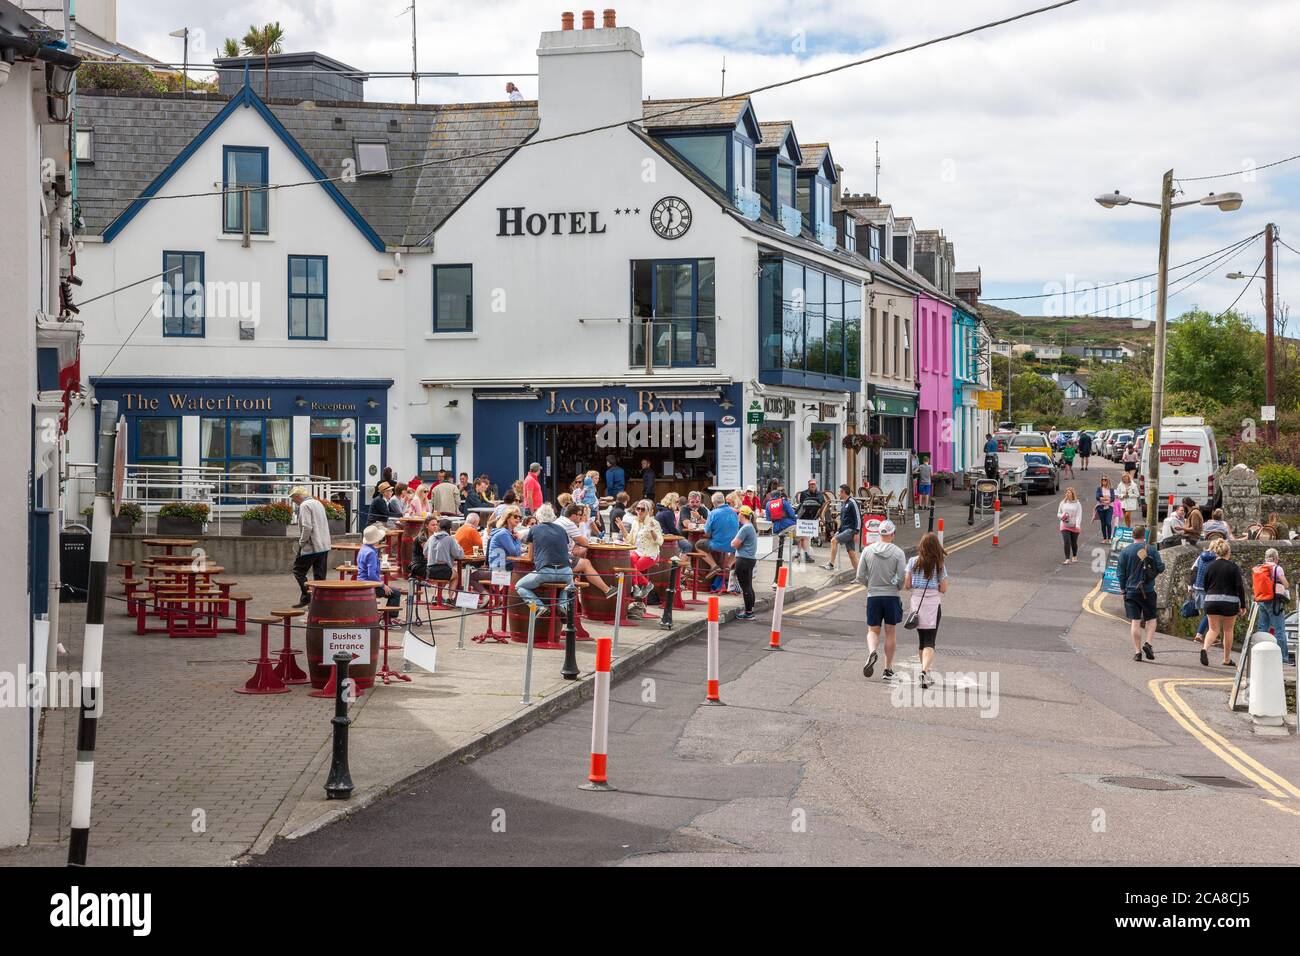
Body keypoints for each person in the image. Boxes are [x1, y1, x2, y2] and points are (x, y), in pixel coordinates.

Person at [856, 519, 906, 682]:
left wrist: (869, 585)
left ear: (879, 533)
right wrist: (896, 586)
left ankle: (872, 652)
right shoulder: (898, 552)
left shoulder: (867, 550)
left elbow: (859, 576)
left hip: (873, 595)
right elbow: (901, 577)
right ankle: (887, 669)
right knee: (890, 632)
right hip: (891, 596)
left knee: (872, 630)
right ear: (893, 534)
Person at [905, 532, 949, 690]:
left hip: (917, 602)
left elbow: (907, 585)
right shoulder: (939, 564)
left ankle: (925, 672)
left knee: (922, 640)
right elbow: (943, 588)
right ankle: (925, 672)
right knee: (931, 640)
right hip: (932, 603)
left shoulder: (912, 562)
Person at [515, 505, 575, 618]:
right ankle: (562, 605)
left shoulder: (534, 529)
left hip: (545, 572)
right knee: (568, 585)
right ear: (553, 516)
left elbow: (530, 557)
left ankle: (539, 607)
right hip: (566, 572)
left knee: (520, 586)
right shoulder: (561, 529)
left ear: (538, 518)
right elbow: (565, 550)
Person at [1116, 523, 1164, 662]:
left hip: (1131, 591)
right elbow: (1160, 568)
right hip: (1148, 590)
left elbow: (1120, 573)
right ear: (1144, 535)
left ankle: (1137, 652)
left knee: (1135, 622)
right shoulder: (1151, 549)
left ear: (1133, 535)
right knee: (1151, 619)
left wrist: (1123, 589)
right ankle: (1148, 644)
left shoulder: (1125, 552)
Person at [1200, 538, 1245, 667]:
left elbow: (1205, 585)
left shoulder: (1209, 566)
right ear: (1228, 552)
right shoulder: (1233, 567)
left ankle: (1204, 649)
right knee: (1228, 630)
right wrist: (1243, 605)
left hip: (1211, 600)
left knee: (1213, 629)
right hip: (1229, 602)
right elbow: (1239, 587)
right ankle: (1226, 659)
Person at [556, 503, 614, 599]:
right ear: (574, 515)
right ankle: (607, 590)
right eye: (580, 515)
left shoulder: (559, 520)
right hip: (560, 560)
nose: (580, 517)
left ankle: (566, 601)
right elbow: (585, 542)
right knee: (586, 563)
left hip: (554, 556)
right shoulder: (569, 524)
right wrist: (583, 523)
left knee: (579, 557)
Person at [290, 488, 331, 608]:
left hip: (312, 545)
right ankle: (319, 602)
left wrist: (301, 542)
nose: (293, 501)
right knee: (319, 575)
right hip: (324, 544)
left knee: (298, 570)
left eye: (293, 498)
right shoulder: (318, 503)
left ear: (298, 496)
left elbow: (307, 526)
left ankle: (307, 596)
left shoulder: (304, 505)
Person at [472, 506, 523, 596]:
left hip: (503, 570)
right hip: (501, 571)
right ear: (507, 517)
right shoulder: (504, 533)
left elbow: (516, 553)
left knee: (472, 576)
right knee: (470, 577)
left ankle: (491, 597)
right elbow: (515, 553)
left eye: (520, 517)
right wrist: (518, 540)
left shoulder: (508, 533)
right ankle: (488, 596)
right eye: (515, 516)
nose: (518, 519)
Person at [1254, 548, 1293, 665]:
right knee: (1279, 630)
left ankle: (1260, 657)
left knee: (1263, 629)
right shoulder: (1277, 568)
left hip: (1261, 601)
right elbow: (1285, 584)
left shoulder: (1260, 567)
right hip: (1275, 603)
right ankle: (1283, 658)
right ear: (1276, 558)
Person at [625, 499, 665, 603]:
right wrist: (622, 528)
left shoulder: (654, 523)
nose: (639, 511)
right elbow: (630, 540)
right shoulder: (635, 522)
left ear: (647, 511)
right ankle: (640, 586)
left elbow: (660, 542)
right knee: (630, 558)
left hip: (650, 552)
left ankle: (638, 587)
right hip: (637, 551)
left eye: (642, 509)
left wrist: (651, 531)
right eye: (637, 508)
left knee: (632, 568)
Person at [703, 491, 739, 592]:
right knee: (738, 549)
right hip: (733, 546)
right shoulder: (734, 512)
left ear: (714, 503)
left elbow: (707, 532)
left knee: (698, 545)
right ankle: (728, 565)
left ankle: (714, 566)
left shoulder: (713, 513)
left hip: (717, 545)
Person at [359, 524, 401, 610]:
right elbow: (371, 575)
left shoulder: (363, 548)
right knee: (396, 593)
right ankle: (389, 618)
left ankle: (387, 617)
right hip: (369, 585)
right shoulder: (371, 552)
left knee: (393, 591)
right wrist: (382, 585)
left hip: (362, 582)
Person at [731, 505, 760, 619]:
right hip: (749, 559)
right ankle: (750, 610)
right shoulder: (751, 527)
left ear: (742, 515)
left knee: (745, 587)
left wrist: (734, 542)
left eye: (738, 513)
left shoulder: (745, 528)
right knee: (749, 586)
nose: (737, 515)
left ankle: (748, 612)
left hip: (743, 559)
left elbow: (734, 544)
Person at [423, 517, 464, 594]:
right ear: (450, 529)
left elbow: (425, 552)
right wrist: (457, 544)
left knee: (446, 574)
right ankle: (450, 598)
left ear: (439, 527)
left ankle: (436, 597)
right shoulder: (450, 539)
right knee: (455, 576)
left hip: (430, 570)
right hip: (443, 570)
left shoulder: (431, 538)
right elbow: (459, 555)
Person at [825, 485, 861, 571]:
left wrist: (857, 532)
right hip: (845, 529)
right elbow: (843, 519)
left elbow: (858, 517)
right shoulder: (844, 503)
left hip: (851, 530)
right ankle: (860, 575)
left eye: (839, 492)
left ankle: (831, 564)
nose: (838, 494)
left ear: (843, 492)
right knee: (851, 554)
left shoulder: (852, 502)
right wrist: (839, 530)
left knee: (834, 541)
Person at [795, 478, 827, 562]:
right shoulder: (804, 493)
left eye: (814, 484)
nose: (812, 486)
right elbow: (803, 505)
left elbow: (822, 504)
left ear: (816, 485)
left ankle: (802, 553)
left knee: (804, 536)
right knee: (802, 536)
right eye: (811, 485)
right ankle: (801, 553)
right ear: (808, 486)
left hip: (813, 517)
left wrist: (821, 517)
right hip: (803, 517)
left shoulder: (820, 494)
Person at [1058, 487, 1082, 564]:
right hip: (1064, 525)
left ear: (1072, 494)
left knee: (1074, 542)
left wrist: (1077, 525)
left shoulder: (1077, 503)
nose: (1067, 494)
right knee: (1066, 541)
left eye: (1069, 492)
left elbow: (1079, 515)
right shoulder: (1063, 503)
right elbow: (1058, 513)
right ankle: (1067, 559)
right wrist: (1062, 516)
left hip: (1074, 526)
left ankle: (1074, 556)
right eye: (1066, 492)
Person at [1094, 475, 1116, 542]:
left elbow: (1113, 498)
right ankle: (1104, 538)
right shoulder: (1099, 488)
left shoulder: (1111, 489)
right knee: (1103, 523)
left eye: (1105, 480)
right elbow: (1097, 497)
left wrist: (1106, 500)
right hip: (1101, 507)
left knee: (1108, 523)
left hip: (1109, 507)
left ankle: (1109, 538)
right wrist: (1104, 499)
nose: (1104, 481)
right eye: (1102, 480)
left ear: (1108, 481)